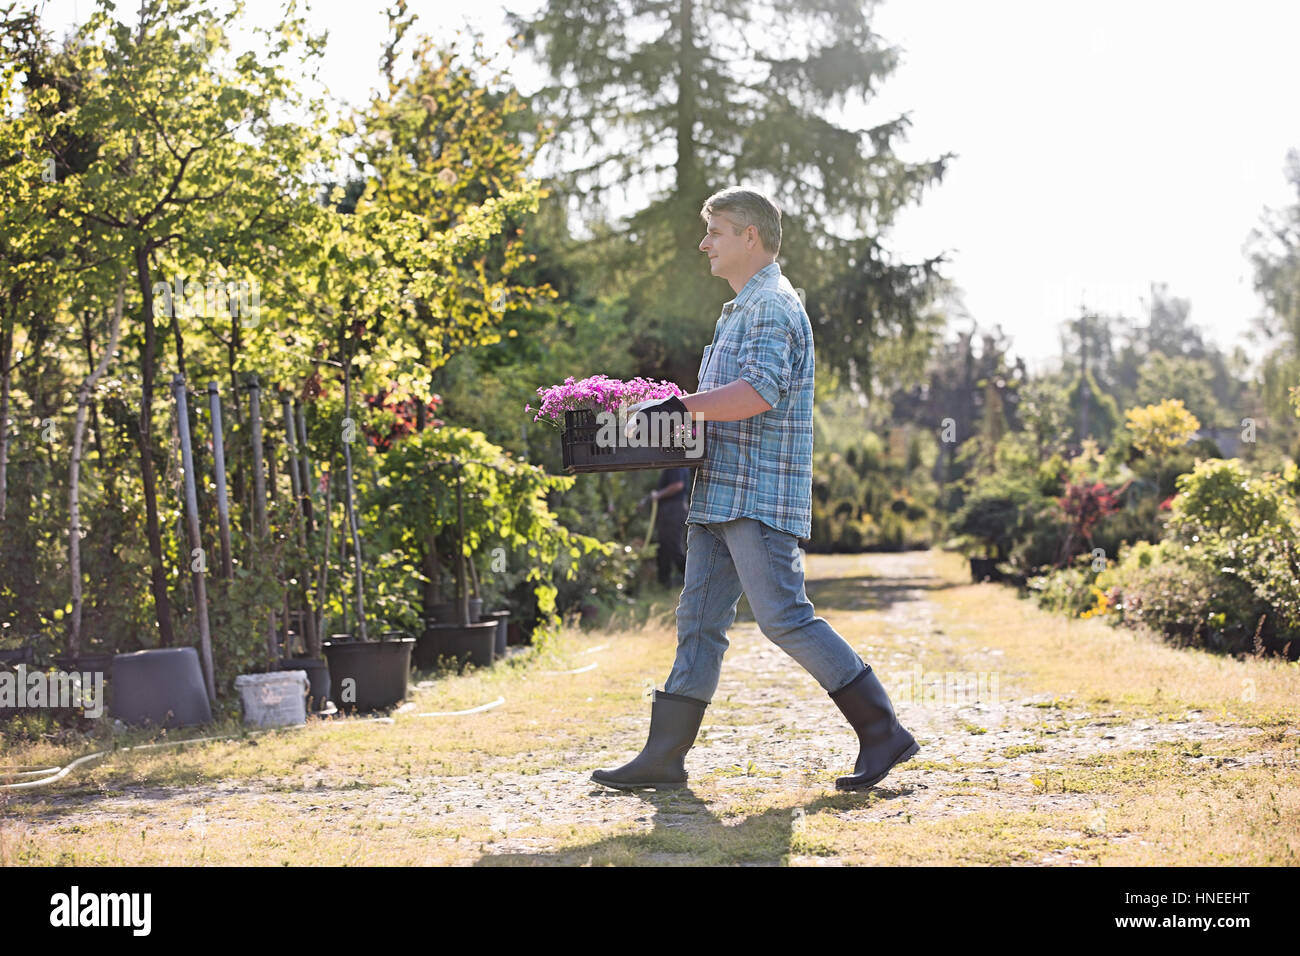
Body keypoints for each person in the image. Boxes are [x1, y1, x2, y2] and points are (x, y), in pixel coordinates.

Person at [592, 186, 920, 792]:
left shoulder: (771, 305)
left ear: (750, 236)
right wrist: (669, 421)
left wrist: (674, 406)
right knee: (698, 621)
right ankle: (664, 756)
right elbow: (725, 403)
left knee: (784, 617)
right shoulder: (740, 308)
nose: (704, 242)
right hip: (719, 493)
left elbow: (759, 392)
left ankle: (881, 731)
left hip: (757, 495)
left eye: (715, 231)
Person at [641, 466, 691, 588]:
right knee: (664, 547)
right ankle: (664, 582)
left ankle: (693, 579)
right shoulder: (671, 463)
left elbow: (678, 485)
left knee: (673, 547)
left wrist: (657, 495)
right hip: (669, 510)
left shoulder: (676, 462)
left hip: (674, 510)